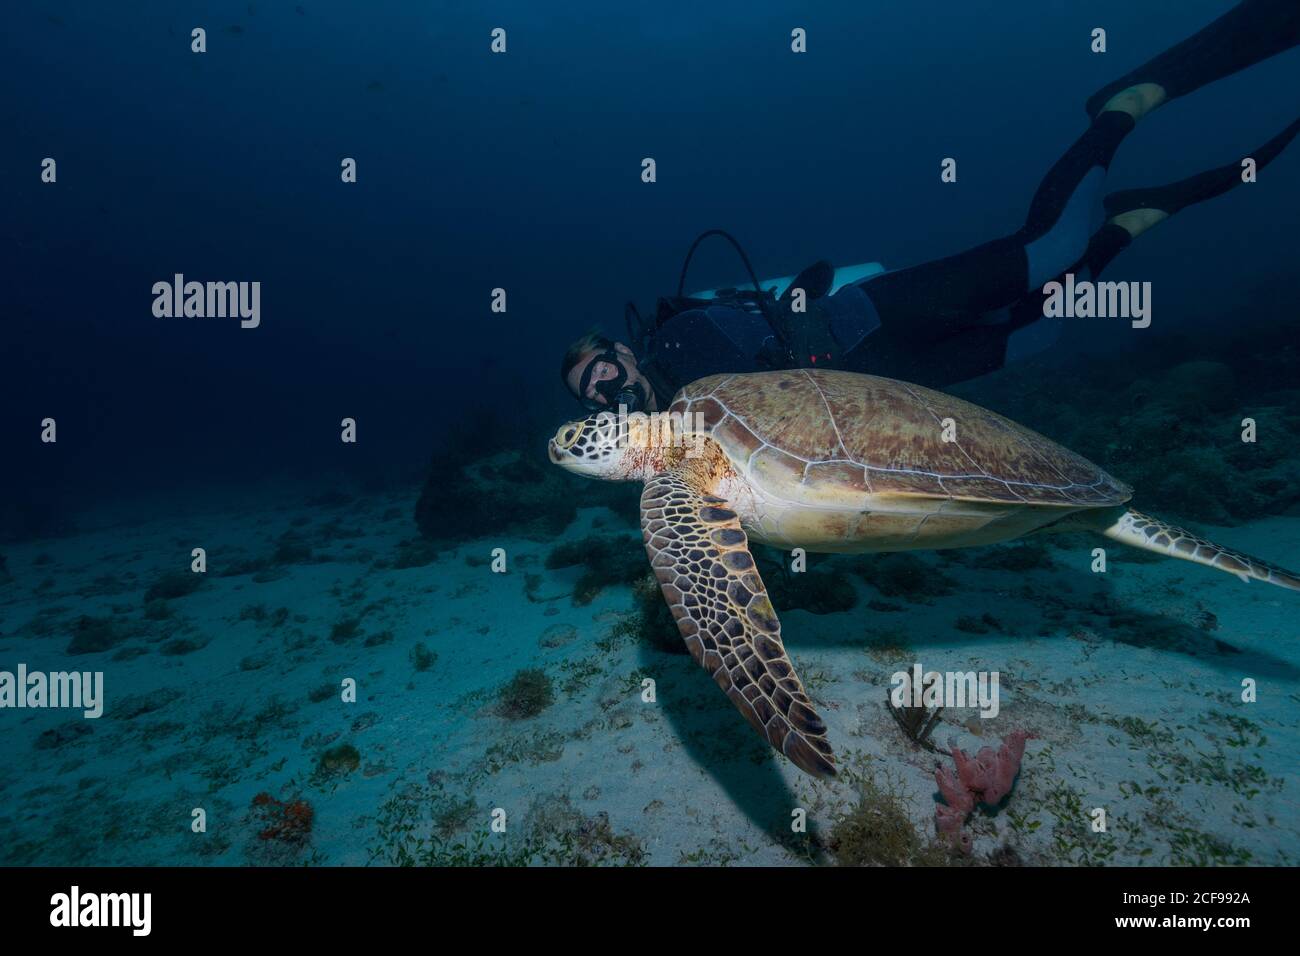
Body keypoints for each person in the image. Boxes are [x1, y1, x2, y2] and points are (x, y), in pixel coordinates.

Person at [562, 0, 1300, 413]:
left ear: (621, 352)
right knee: (1033, 338)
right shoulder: (668, 427)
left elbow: (788, 313)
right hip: (882, 382)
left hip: (872, 317)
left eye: (598, 372)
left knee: (1045, 249)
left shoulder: (680, 346)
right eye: (586, 399)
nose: (602, 394)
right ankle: (1121, 229)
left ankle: (1118, 110)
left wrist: (799, 340)